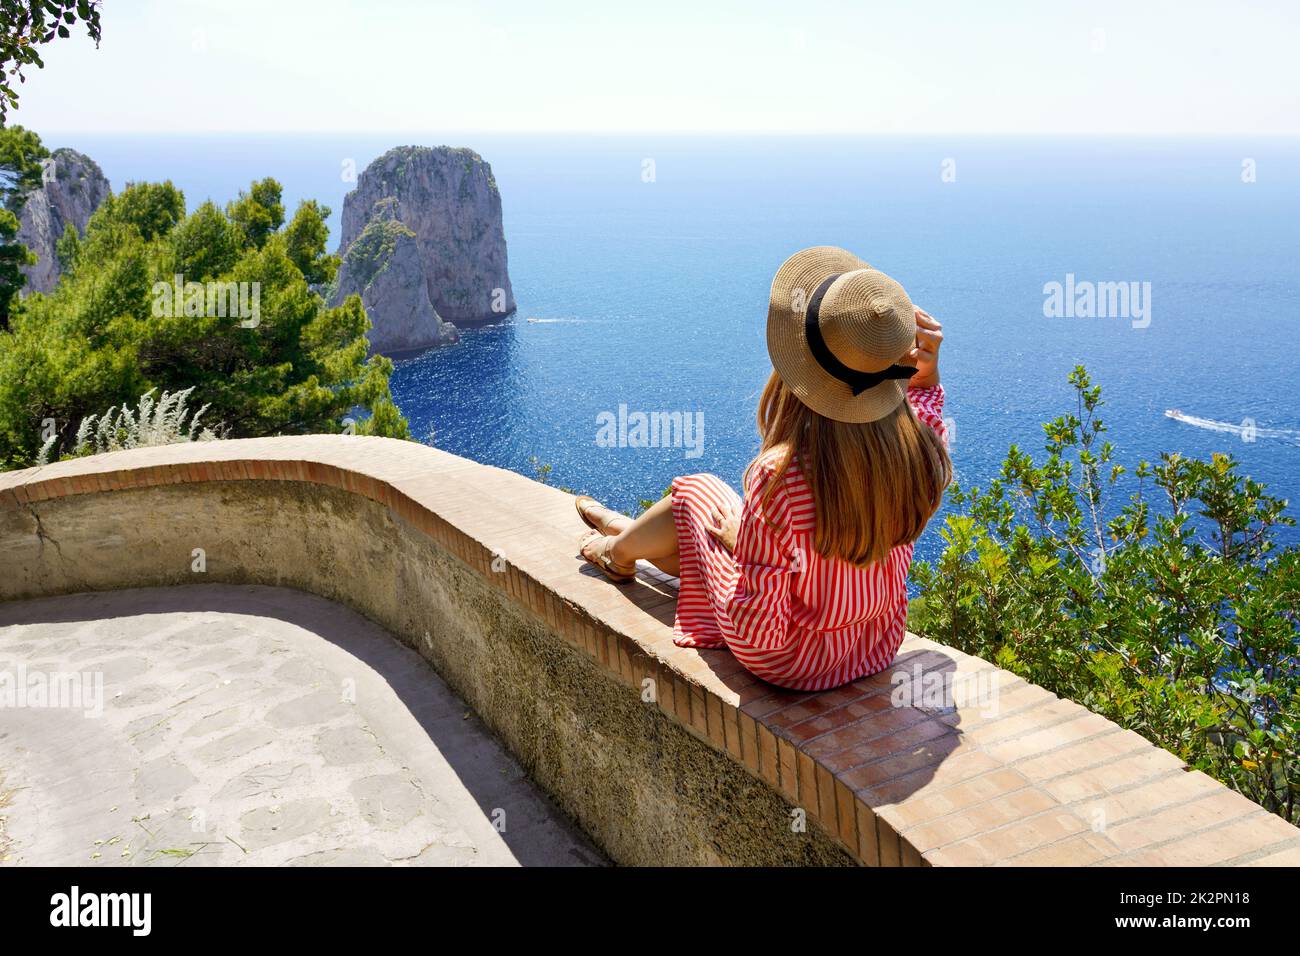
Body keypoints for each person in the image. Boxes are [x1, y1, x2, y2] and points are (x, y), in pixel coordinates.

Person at [575, 246, 951, 692]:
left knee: (698, 492)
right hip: (872, 647)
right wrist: (926, 372)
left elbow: (759, 628)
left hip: (786, 660)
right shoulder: (923, 448)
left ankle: (615, 553)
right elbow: (925, 403)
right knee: (718, 533)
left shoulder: (779, 476)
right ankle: (620, 532)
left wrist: (745, 545)